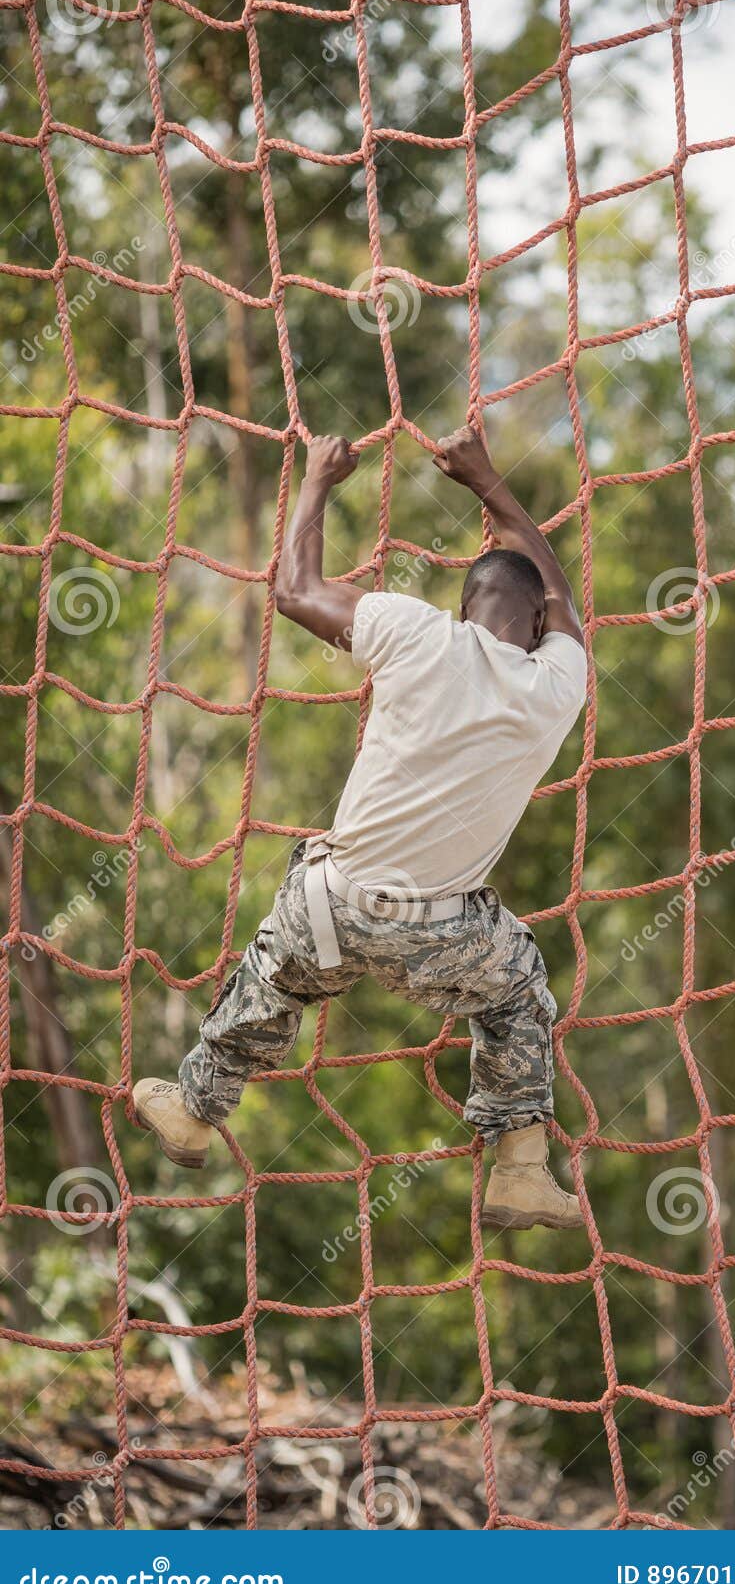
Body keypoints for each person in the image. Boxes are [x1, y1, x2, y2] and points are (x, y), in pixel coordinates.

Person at [133, 425, 588, 1231]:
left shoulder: (417, 633)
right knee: (516, 988)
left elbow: (295, 589)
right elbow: (557, 594)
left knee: (275, 974)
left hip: (331, 909)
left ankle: (196, 1109)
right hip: (441, 932)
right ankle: (519, 1166)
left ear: (464, 607)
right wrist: (488, 480)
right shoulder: (556, 685)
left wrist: (318, 477)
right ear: (537, 624)